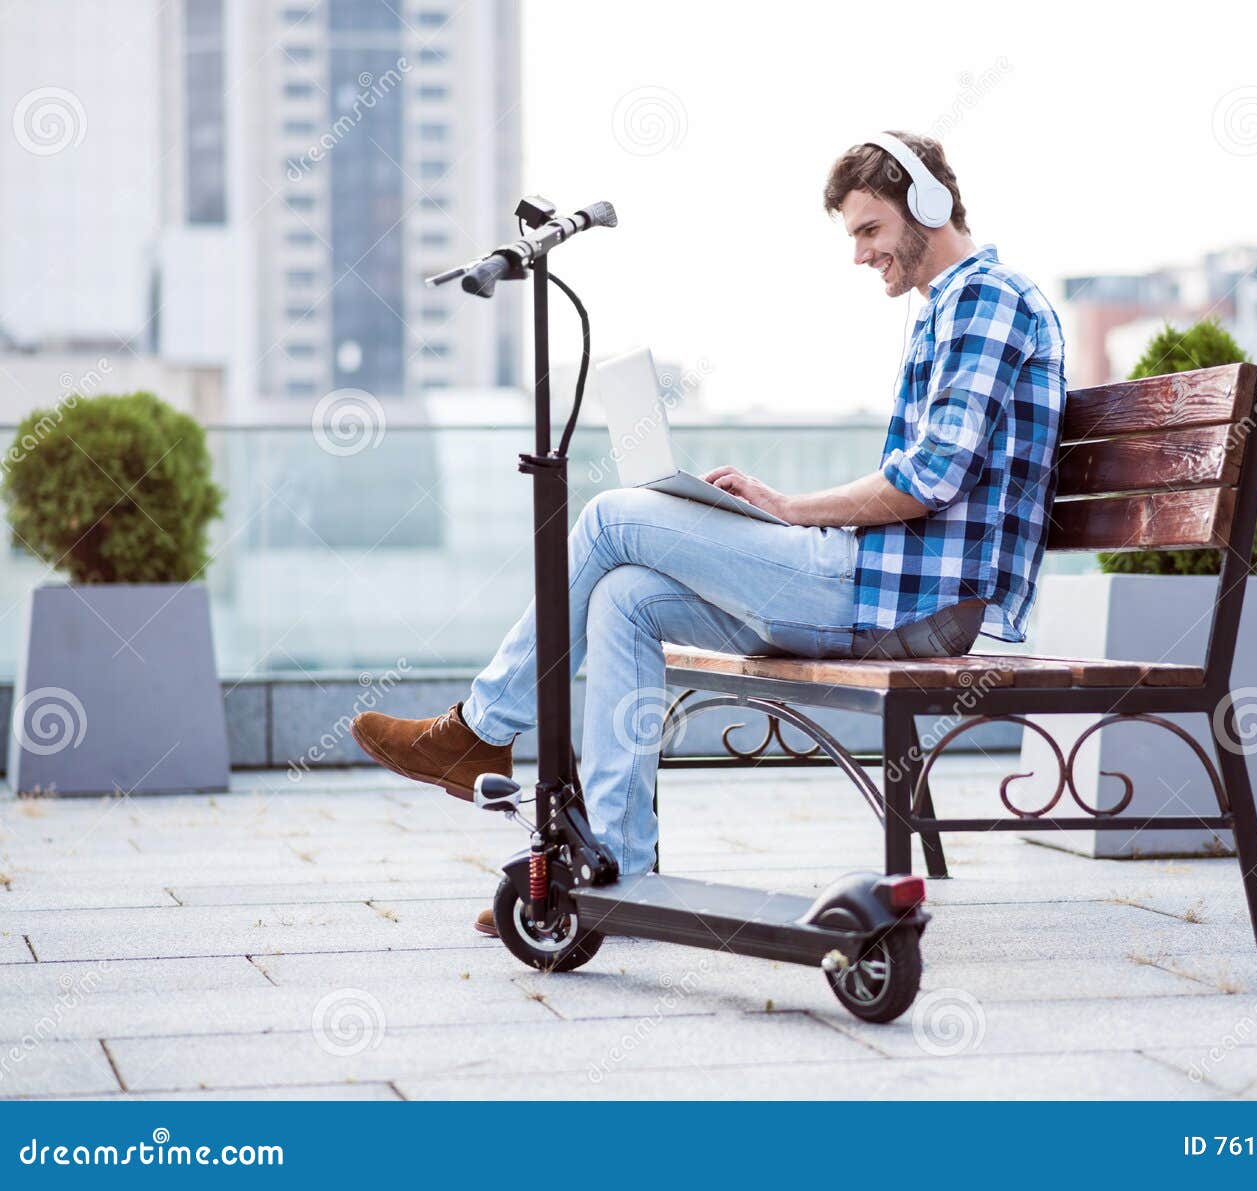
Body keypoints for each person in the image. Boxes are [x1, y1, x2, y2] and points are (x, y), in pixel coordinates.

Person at [351, 131, 1067, 936]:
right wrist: (773, 511)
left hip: (906, 601)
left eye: (870, 231)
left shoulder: (985, 298)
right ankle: (617, 871)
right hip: (876, 587)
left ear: (928, 205)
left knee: (610, 516)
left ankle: (479, 731)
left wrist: (789, 510)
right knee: (623, 597)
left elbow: (931, 478)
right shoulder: (952, 306)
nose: (861, 256)